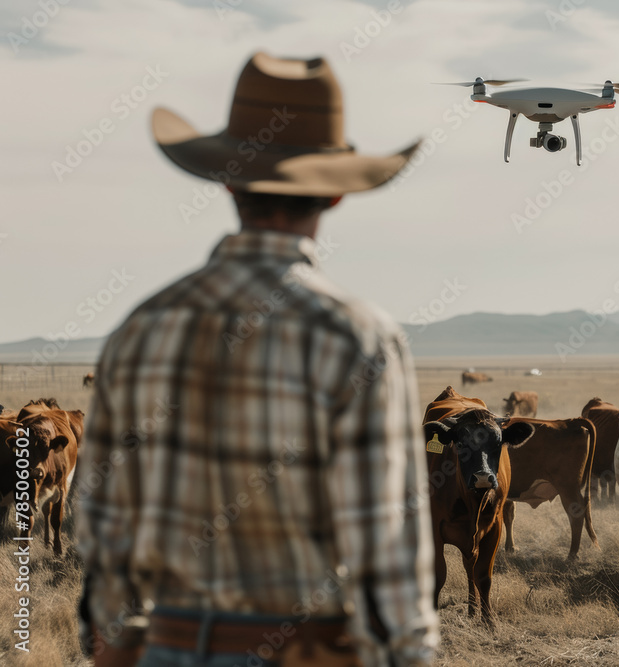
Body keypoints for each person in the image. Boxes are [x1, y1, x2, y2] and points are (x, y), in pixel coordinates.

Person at [77, 52, 438, 667]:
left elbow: (102, 520)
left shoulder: (139, 329)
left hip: (164, 648)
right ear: (334, 196)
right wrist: (406, 653)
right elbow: (383, 545)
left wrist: (115, 639)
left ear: (226, 182)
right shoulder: (357, 337)